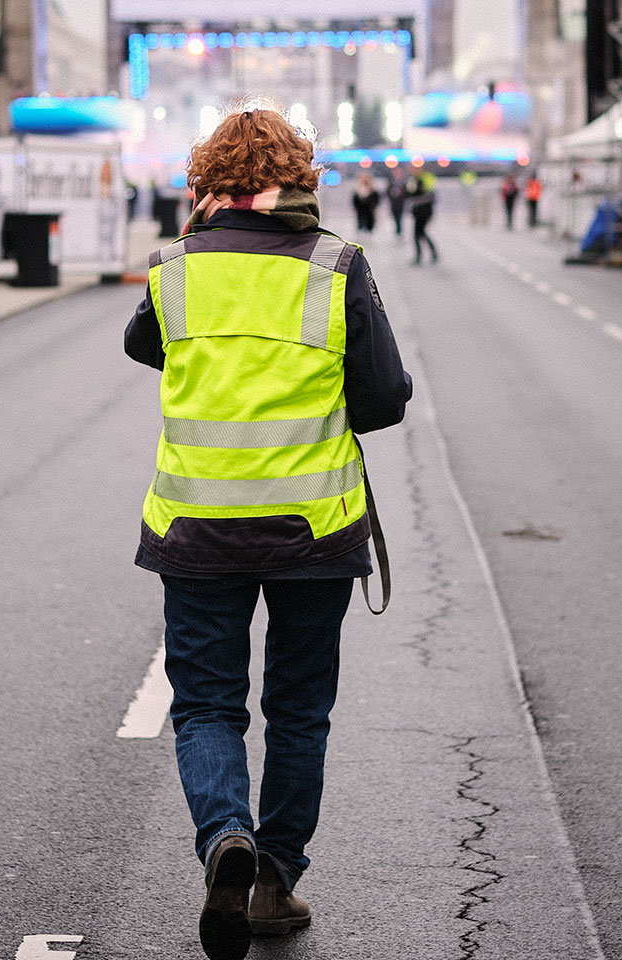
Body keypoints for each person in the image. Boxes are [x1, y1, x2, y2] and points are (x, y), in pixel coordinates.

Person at [124, 105, 410, 959]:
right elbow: (385, 395)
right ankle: (275, 878)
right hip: (311, 529)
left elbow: (148, 348)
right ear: (301, 180)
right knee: (297, 710)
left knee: (208, 704)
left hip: (198, 525)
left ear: (209, 185)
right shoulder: (335, 265)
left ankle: (225, 841)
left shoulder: (173, 267)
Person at [409, 170, 439, 264]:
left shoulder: (422, 181)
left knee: (418, 234)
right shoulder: (416, 181)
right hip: (421, 213)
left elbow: (428, 196)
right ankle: (431, 253)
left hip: (423, 213)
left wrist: (416, 200)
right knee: (420, 233)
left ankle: (420, 256)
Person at [385, 171, 408, 238]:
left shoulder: (403, 183)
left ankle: (399, 232)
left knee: (399, 219)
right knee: (395, 218)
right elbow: (388, 192)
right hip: (393, 204)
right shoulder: (391, 183)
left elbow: (406, 194)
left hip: (400, 204)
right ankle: (398, 232)